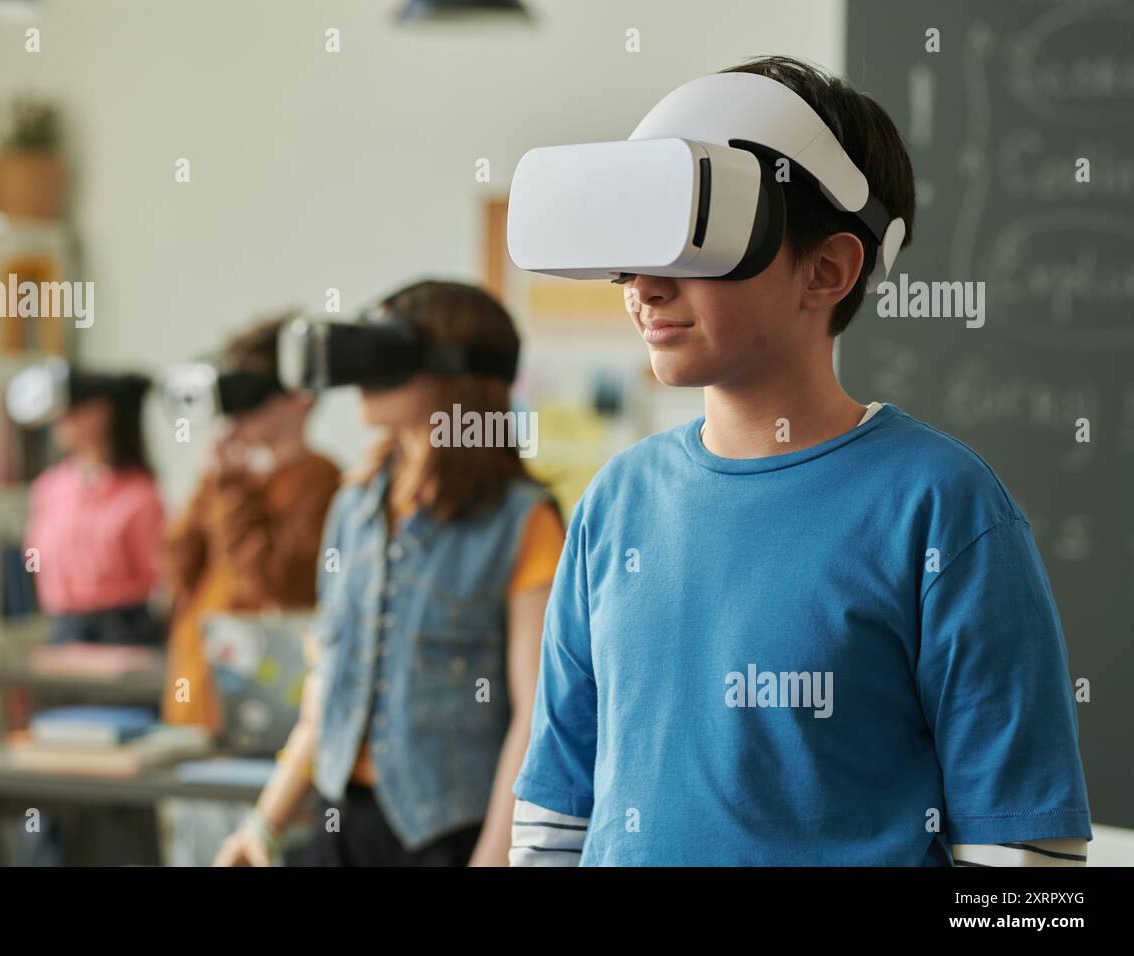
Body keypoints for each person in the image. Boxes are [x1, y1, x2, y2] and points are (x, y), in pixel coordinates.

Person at [509, 57, 1091, 866]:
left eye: (693, 240)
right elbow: (556, 814)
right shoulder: (617, 501)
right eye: (638, 246)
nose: (643, 284)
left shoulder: (941, 506)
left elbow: (1022, 850)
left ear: (828, 269)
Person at [214, 280, 565, 867]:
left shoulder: (522, 522)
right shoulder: (355, 505)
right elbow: (328, 688)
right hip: (342, 825)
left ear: (456, 374)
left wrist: (495, 859)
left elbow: (537, 717)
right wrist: (264, 824)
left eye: (388, 351)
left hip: (447, 835)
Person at [163, 317, 341, 732]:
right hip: (197, 697)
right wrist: (214, 483)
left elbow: (276, 583)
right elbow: (176, 568)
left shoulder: (321, 480)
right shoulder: (227, 480)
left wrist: (230, 492)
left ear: (299, 396)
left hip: (262, 710)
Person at [24, 370, 165, 646]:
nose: (61, 421)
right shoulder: (48, 488)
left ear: (103, 414)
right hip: (62, 626)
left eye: (72, 411)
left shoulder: (140, 496)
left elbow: (159, 575)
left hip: (123, 630)